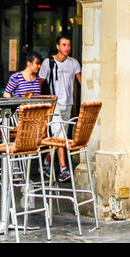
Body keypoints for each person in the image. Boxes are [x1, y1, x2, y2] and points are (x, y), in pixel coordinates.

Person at [38, 33, 81, 181]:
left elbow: (81, 82)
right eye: (63, 45)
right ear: (58, 46)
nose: (67, 48)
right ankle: (63, 169)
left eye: (68, 45)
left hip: (68, 104)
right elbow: (40, 83)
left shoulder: (74, 63)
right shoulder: (47, 63)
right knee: (61, 136)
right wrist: (40, 103)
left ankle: (47, 161)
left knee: (59, 137)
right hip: (53, 105)